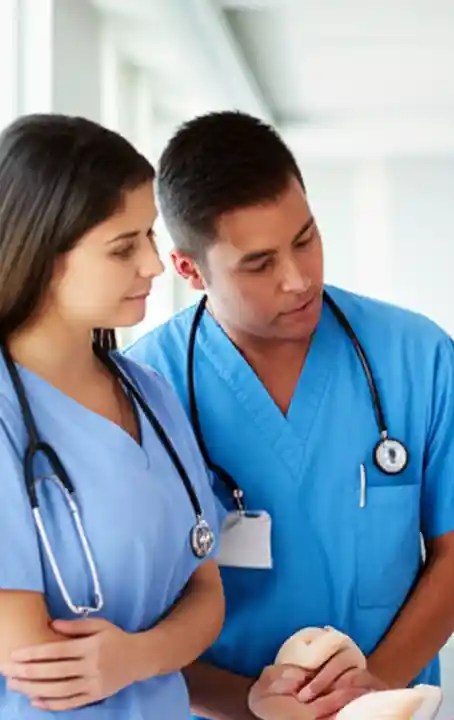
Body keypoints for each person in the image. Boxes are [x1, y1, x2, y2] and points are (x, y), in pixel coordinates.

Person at [125, 111, 454, 719]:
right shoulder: (144, 390)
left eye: (305, 239)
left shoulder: (414, 356)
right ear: (188, 269)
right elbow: (136, 618)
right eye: (258, 264)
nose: (298, 279)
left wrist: (376, 683)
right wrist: (250, 705)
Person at [0, 114, 225, 716]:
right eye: (124, 247)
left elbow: (207, 593)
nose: (153, 264)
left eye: (149, 236)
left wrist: (136, 657)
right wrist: (156, 649)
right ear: (41, 253)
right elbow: (37, 664)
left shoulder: (148, 392)